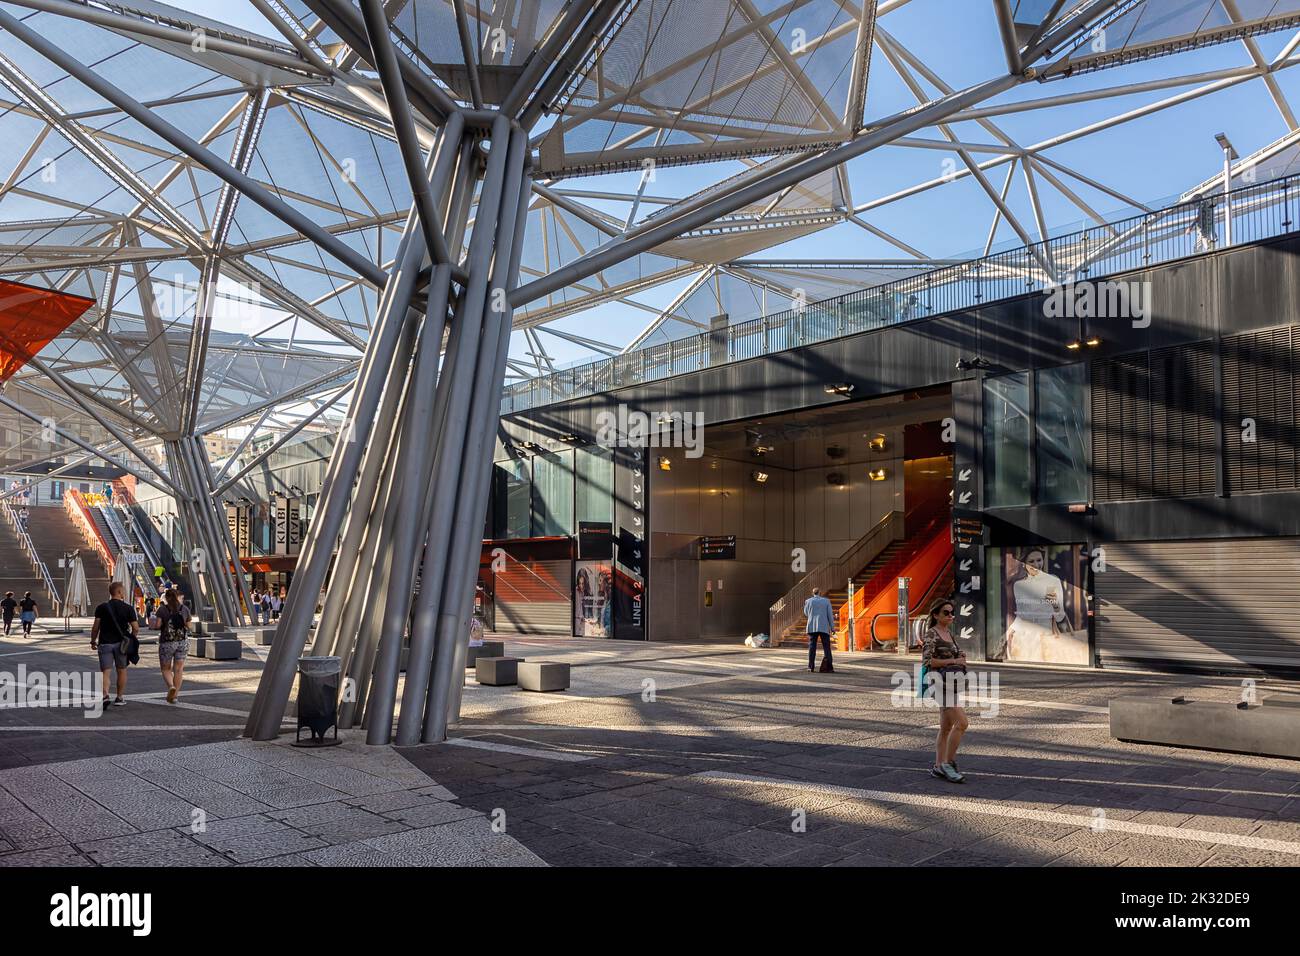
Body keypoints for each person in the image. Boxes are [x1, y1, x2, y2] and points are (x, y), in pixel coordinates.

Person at [922, 599, 968, 783]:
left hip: (951, 683)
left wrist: (959, 657)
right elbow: (928, 662)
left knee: (946, 727)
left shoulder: (948, 633)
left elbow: (949, 656)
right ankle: (948, 764)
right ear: (935, 615)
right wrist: (954, 661)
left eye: (951, 612)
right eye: (946, 613)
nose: (950, 615)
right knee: (962, 723)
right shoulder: (931, 634)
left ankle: (938, 766)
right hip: (939, 683)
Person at [1005, 547, 1069, 663]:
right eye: (1031, 561)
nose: (1036, 564)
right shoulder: (1019, 585)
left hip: (1045, 632)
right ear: (1024, 564)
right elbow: (1022, 614)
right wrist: (1011, 630)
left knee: (1045, 669)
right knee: (1025, 670)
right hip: (1024, 634)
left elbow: (1060, 617)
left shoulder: (1053, 581)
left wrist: (1055, 604)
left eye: (1039, 560)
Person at [90, 582, 138, 707]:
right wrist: (132, 638)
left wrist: (93, 640)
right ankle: (119, 697)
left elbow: (95, 627)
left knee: (105, 671)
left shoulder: (102, 607)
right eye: (123, 591)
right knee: (121, 670)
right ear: (120, 592)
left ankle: (105, 695)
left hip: (105, 643)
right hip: (121, 645)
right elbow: (135, 628)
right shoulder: (128, 608)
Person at [156, 588, 191, 703]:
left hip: (167, 643)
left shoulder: (162, 609)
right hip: (182, 642)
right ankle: (175, 696)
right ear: (177, 597)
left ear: (166, 598)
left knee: (166, 669)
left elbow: (157, 625)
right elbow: (189, 626)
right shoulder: (184, 608)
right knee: (179, 670)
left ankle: (171, 686)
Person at [803, 586, 835, 673]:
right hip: (824, 627)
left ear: (813, 593)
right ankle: (829, 667)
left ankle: (811, 667)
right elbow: (830, 616)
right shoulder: (826, 601)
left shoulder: (808, 601)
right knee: (827, 648)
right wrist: (832, 628)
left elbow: (806, 613)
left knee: (812, 648)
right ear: (820, 593)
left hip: (812, 627)